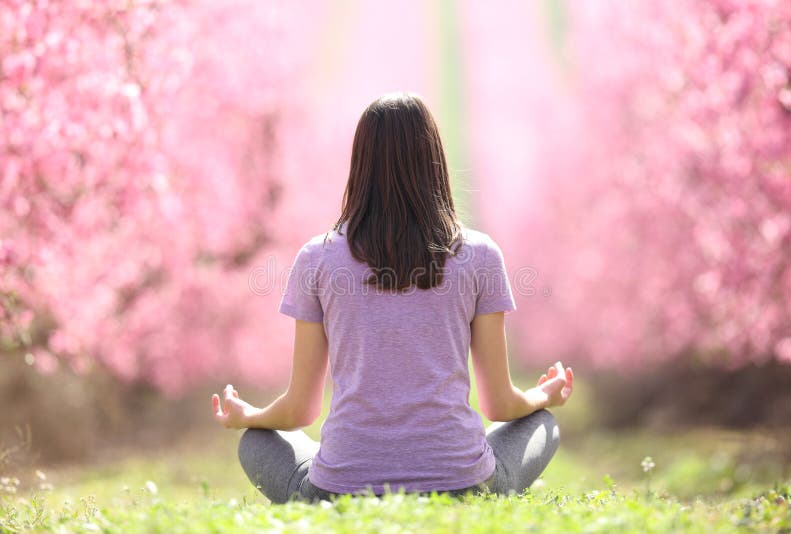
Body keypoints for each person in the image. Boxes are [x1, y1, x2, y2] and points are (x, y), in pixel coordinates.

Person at [211, 92, 574, 503]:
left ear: (360, 164)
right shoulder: (480, 255)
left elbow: (299, 411)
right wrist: (545, 395)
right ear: (434, 161)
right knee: (542, 423)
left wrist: (250, 416)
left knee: (255, 440)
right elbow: (501, 405)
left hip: (339, 489)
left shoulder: (317, 257)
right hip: (463, 484)